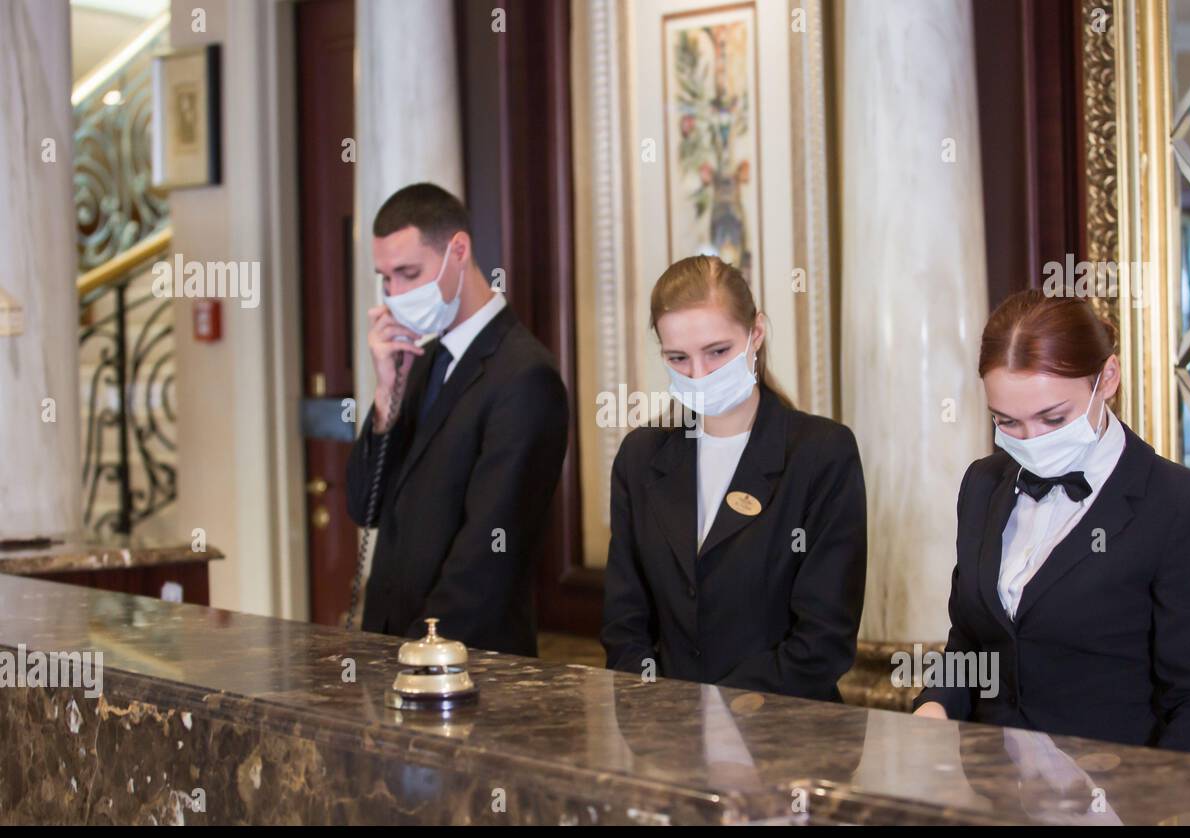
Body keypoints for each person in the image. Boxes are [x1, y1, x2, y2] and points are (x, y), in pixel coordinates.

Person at [914, 289, 1190, 756]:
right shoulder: (982, 485)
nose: (1032, 440)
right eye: (1007, 422)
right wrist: (936, 706)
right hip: (991, 791)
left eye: (1053, 418)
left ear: (1107, 378)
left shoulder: (1183, 507)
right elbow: (971, 638)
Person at [601, 255, 866, 702]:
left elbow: (824, 639)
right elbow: (625, 622)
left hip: (787, 739)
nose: (699, 374)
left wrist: (719, 716)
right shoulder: (641, 457)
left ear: (755, 334)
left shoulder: (820, 454)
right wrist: (661, 716)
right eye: (678, 358)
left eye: (718, 351)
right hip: (667, 739)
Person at [345, 183, 568, 653]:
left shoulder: (525, 376)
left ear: (458, 251)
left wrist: (417, 657)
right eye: (385, 279)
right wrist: (386, 393)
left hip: (464, 663)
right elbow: (365, 506)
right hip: (392, 651)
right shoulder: (420, 360)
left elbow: (488, 555)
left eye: (408, 273)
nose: (394, 294)